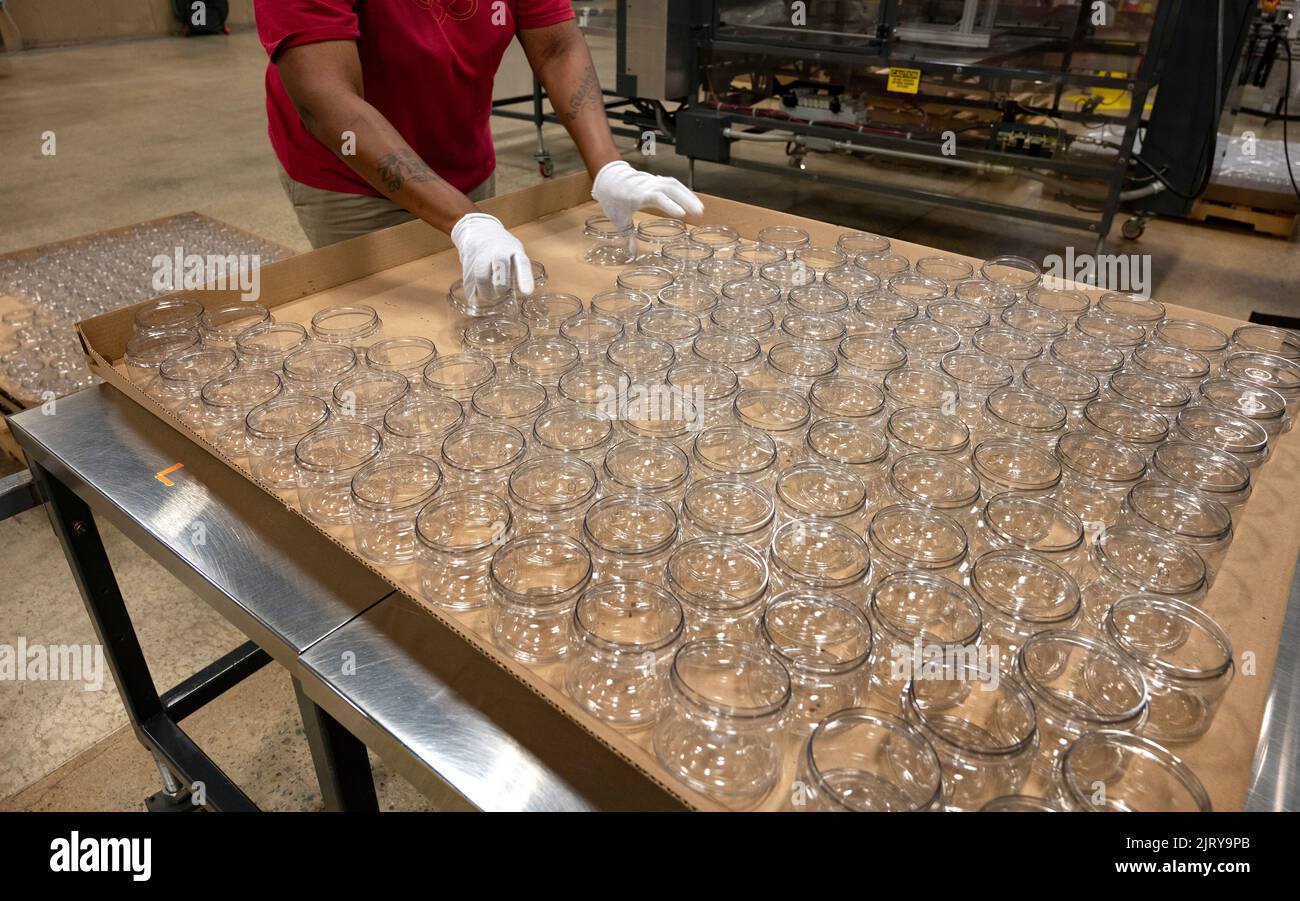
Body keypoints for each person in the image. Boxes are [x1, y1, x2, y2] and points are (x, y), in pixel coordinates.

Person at [254, 0, 702, 308]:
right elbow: (327, 101)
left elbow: (557, 46)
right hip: (353, 179)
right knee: (394, 327)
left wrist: (608, 166)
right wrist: (464, 220)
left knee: (482, 310)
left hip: (460, 155)